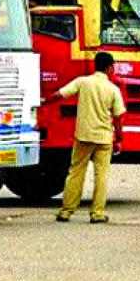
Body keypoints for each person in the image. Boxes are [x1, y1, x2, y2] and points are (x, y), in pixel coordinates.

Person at [45, 52, 126, 223]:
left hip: (83, 136)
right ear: (109, 68)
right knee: (101, 175)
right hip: (104, 139)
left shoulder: (83, 82)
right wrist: (119, 138)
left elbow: (60, 95)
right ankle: (97, 213)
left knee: (75, 172)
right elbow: (118, 117)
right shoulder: (113, 89)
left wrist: (44, 102)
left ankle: (66, 211)